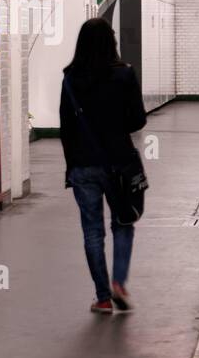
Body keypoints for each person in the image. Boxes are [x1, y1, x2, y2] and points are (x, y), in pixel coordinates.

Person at [59, 18, 147, 314]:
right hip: (119, 162)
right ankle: (119, 283)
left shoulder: (70, 78)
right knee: (123, 222)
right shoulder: (124, 75)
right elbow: (138, 120)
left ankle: (103, 297)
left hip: (83, 165)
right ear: (111, 42)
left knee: (92, 231)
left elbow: (66, 127)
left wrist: (71, 166)